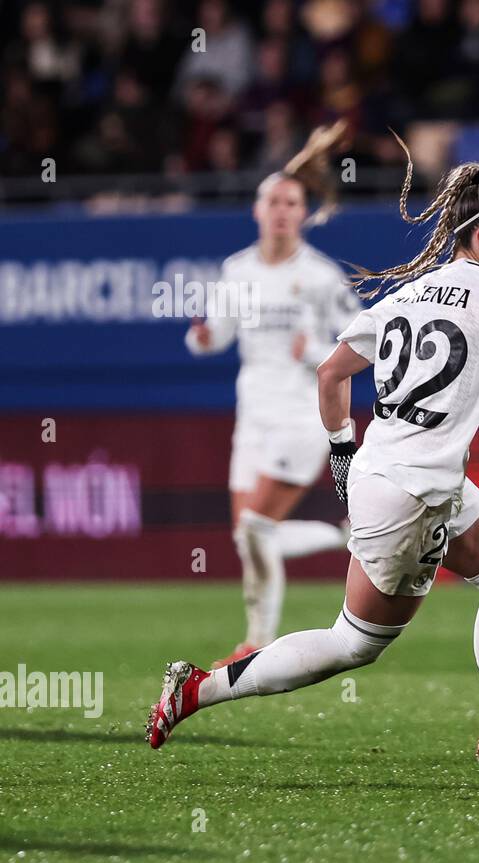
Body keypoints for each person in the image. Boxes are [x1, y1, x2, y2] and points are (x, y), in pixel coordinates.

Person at [150, 154, 479, 770]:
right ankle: (199, 689)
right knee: (353, 643)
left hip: (400, 474)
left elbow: (332, 371)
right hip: (414, 493)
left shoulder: (409, 295)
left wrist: (340, 451)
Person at [185, 122, 356, 668]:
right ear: (257, 212)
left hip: (303, 415)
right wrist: (202, 337)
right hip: (252, 415)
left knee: (258, 527)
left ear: (303, 213)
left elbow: (361, 344)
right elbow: (216, 334)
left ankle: (334, 543)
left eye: (292, 202)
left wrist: (313, 352)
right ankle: (257, 637)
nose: (282, 210)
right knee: (249, 537)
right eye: (273, 202)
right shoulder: (236, 271)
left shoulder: (323, 276)